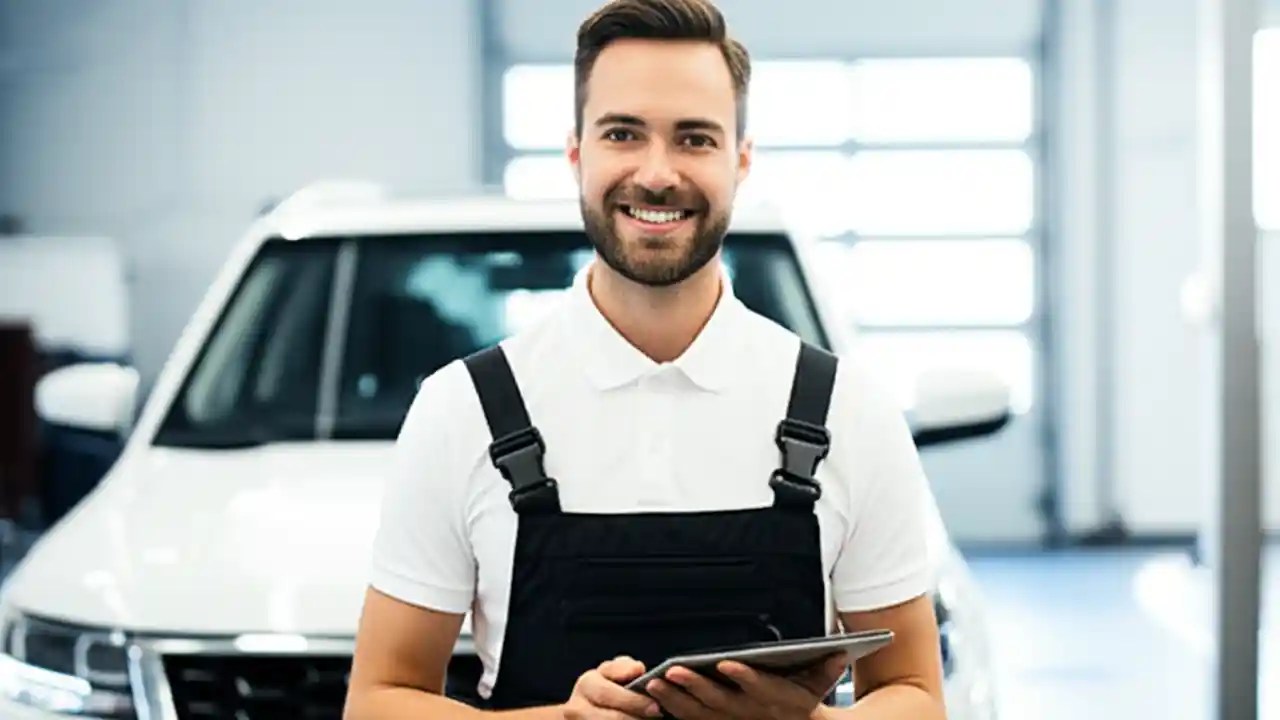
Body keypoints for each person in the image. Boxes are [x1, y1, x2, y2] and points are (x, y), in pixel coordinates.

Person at [343, 0, 946, 717]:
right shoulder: (461, 410)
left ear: (741, 160)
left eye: (694, 139)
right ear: (577, 153)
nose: (657, 174)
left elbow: (915, 695)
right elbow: (380, 700)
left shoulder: (849, 411)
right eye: (623, 133)